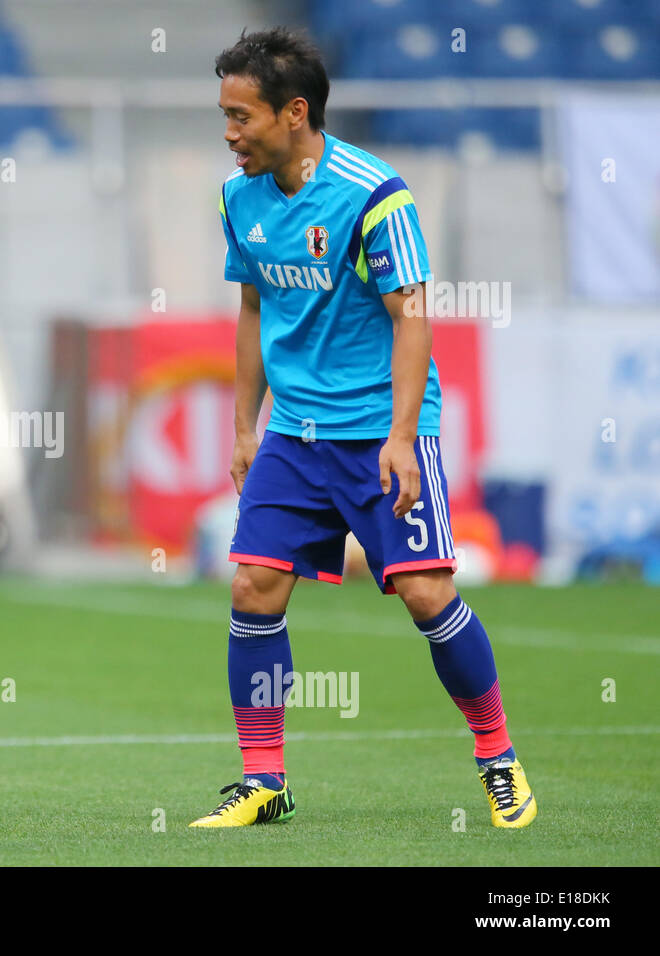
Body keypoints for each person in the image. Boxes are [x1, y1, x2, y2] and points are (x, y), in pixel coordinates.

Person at [190, 28, 536, 830]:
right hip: (293, 434)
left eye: (241, 116)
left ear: (294, 112)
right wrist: (247, 426)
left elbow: (411, 316)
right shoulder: (236, 197)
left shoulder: (376, 194)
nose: (230, 133)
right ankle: (263, 781)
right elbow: (252, 306)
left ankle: (498, 757)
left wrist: (403, 436)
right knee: (253, 585)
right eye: (224, 116)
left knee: (425, 592)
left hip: (378, 427)